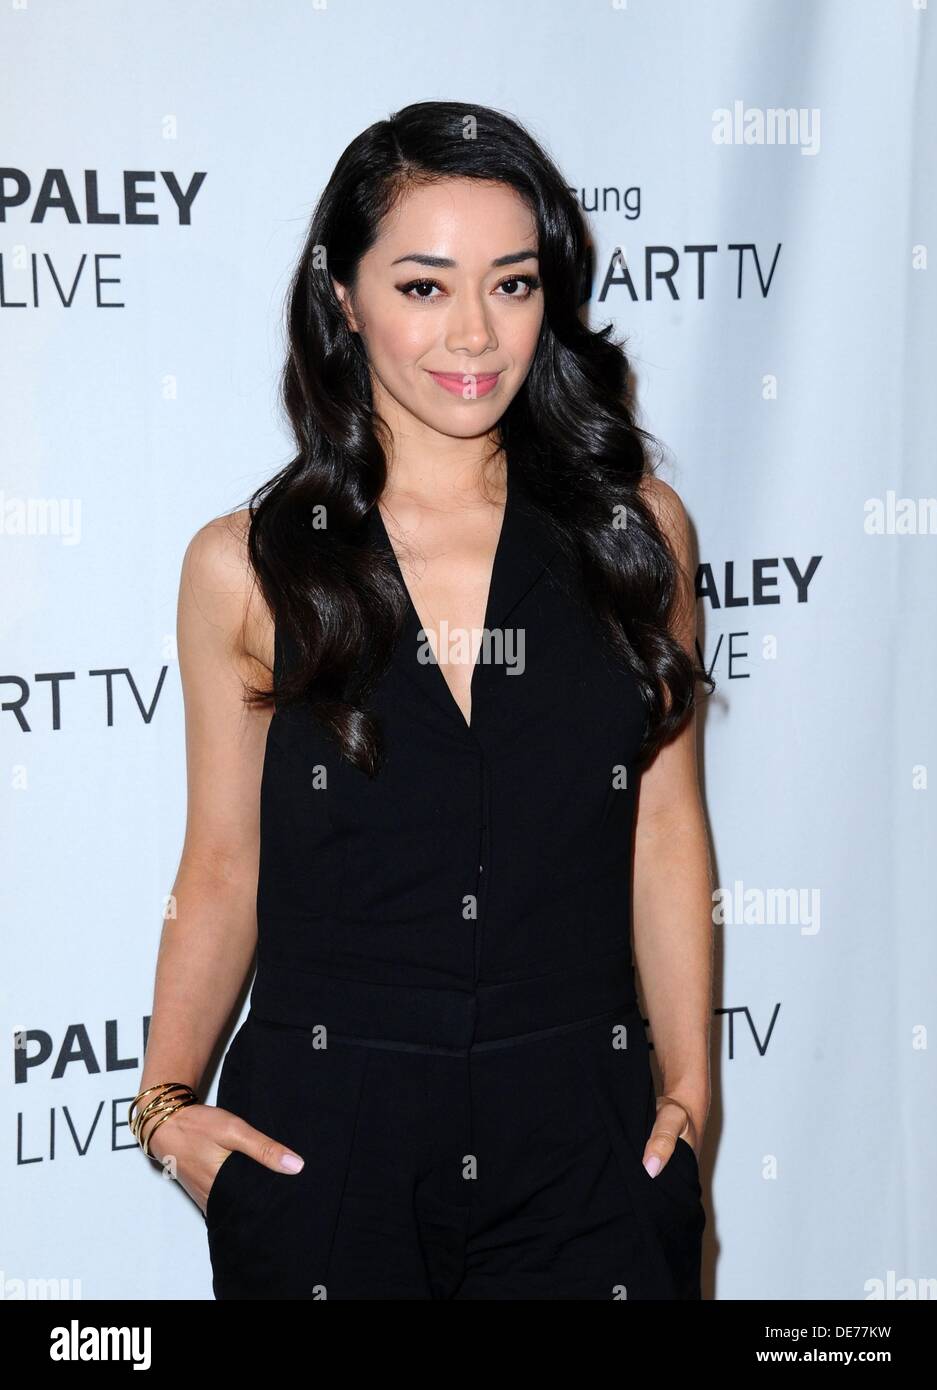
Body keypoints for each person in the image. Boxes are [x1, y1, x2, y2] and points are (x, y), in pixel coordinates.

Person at [131, 101, 715, 1301]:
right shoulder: (246, 567)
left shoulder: (632, 534)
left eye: (510, 284)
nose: (473, 334)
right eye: (422, 285)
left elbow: (662, 834)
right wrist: (164, 1105)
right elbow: (221, 869)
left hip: (584, 1143)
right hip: (326, 1146)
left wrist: (692, 1100)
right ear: (342, 297)